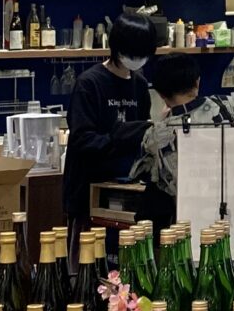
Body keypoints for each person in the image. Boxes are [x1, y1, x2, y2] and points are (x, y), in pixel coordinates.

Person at [131, 53, 234, 227]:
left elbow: (141, 173)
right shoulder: (227, 106)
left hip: (186, 221)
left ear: (160, 93)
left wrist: (164, 121)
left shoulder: (155, 135)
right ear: (197, 83)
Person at [64, 13, 164, 226]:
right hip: (89, 192)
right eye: (134, 52)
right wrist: (120, 137)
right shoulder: (89, 84)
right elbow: (82, 140)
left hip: (127, 190)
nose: (139, 58)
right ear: (116, 47)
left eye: (144, 53)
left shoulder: (139, 85)